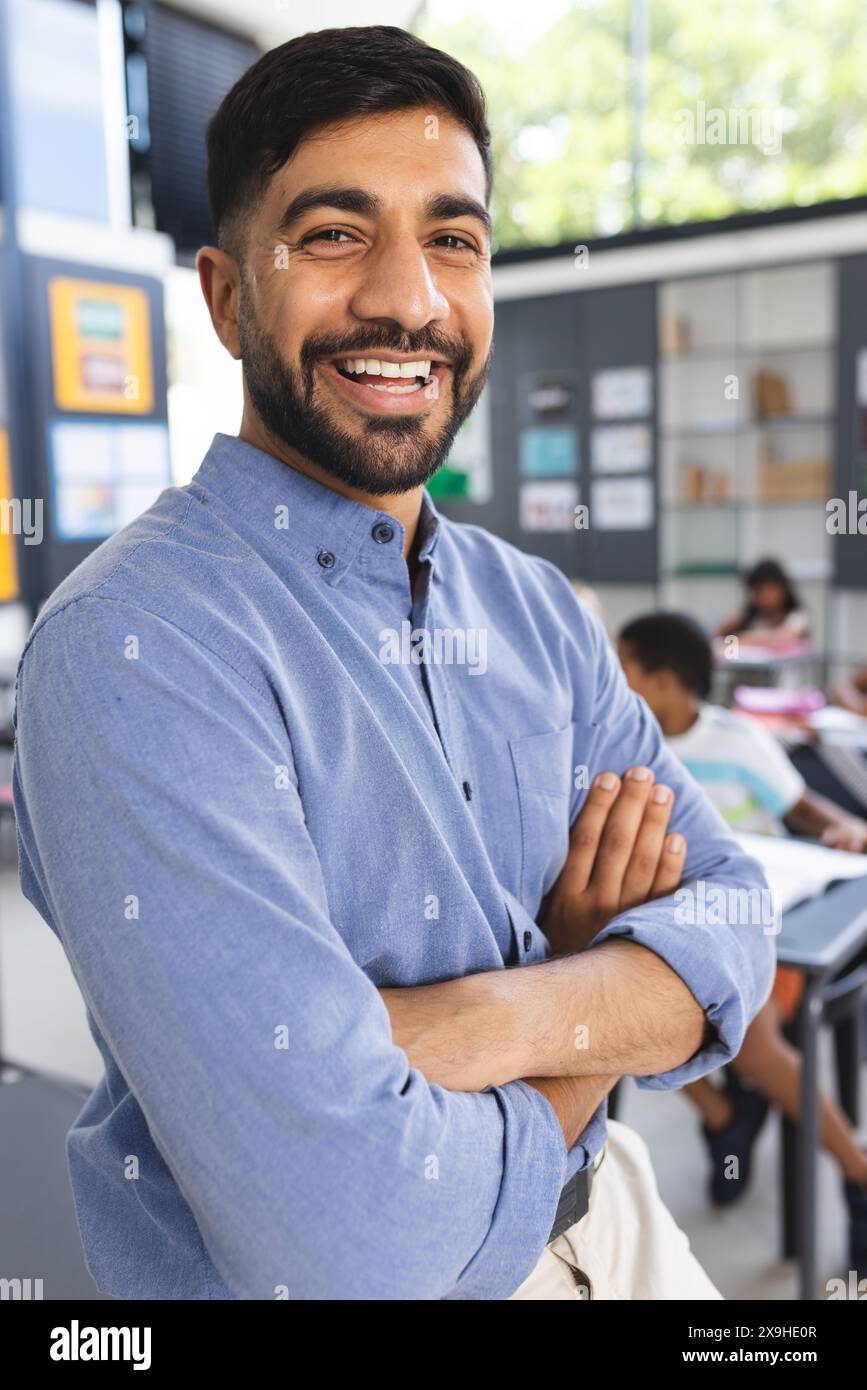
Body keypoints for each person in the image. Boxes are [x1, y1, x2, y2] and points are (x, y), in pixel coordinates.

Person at [12, 27, 774, 1302]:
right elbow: (357, 1241)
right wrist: (599, 1003)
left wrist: (489, 1018)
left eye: (454, 240)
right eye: (333, 234)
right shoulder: (134, 652)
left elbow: (735, 912)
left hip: (623, 1228)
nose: (407, 299)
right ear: (225, 295)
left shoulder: (532, 607)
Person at [618, 611, 867, 1273]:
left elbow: (818, 815)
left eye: (625, 667)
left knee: (751, 1042)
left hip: (762, 930)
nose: (611, 679)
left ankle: (857, 1172)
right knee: (616, 1012)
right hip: (673, 932)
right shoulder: (623, 743)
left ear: (665, 683)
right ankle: (724, 1110)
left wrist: (844, 829)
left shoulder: (736, 743)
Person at [716, 558, 810, 646]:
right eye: (760, 590)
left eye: (770, 589)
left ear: (784, 590)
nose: (766, 596)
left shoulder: (797, 617)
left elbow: (786, 636)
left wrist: (745, 638)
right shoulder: (747, 618)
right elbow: (717, 638)